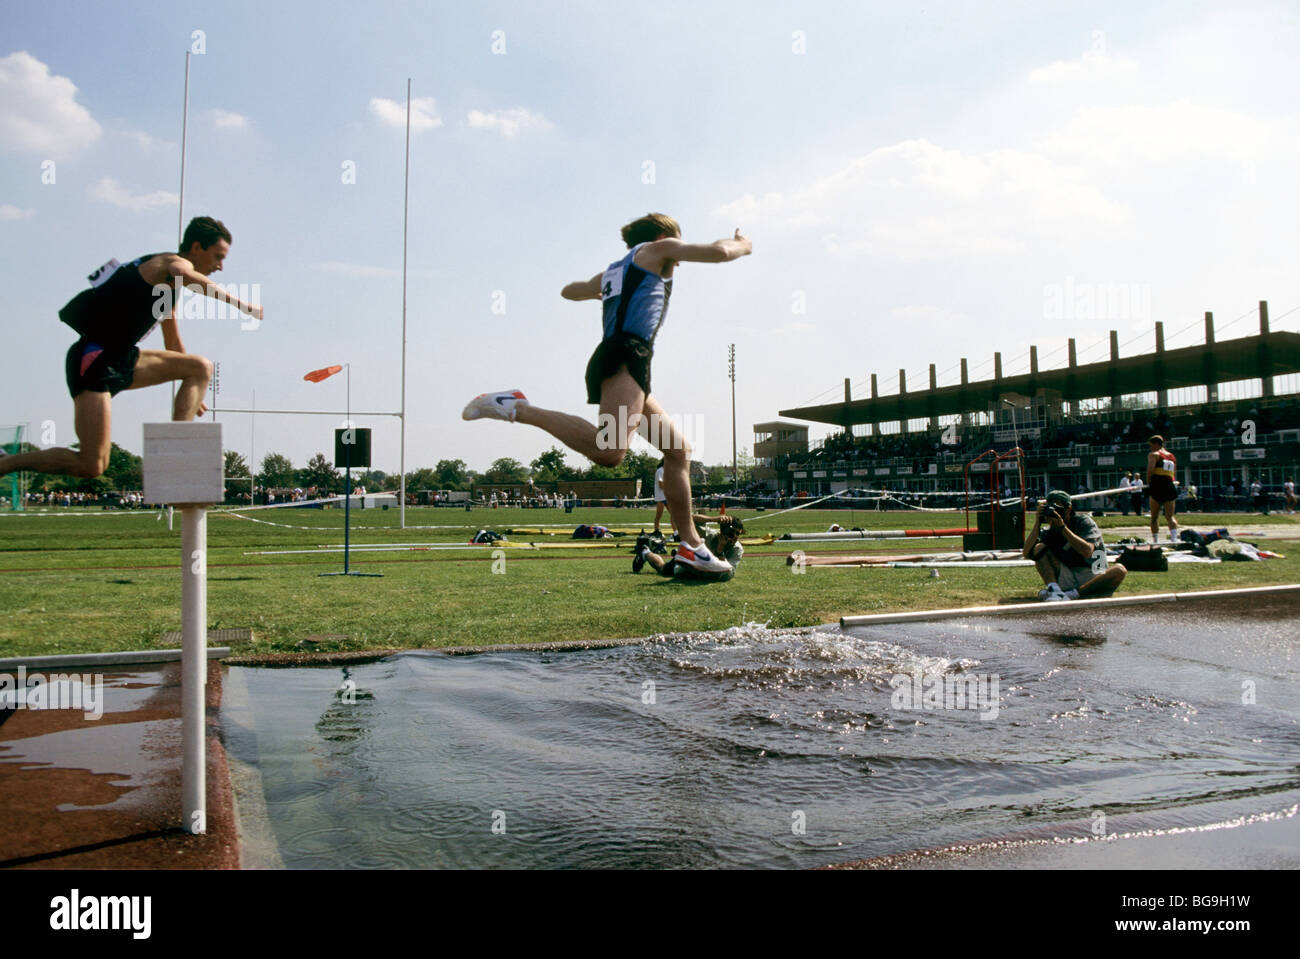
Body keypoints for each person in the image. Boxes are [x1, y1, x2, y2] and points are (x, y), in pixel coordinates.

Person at [462, 212, 752, 575]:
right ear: (664, 236)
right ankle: (516, 406)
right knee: (610, 451)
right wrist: (742, 245)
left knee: (677, 450)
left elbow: (571, 290)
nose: (678, 253)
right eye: (676, 242)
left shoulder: (618, 268)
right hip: (625, 355)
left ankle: (692, 546)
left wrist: (604, 288)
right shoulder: (654, 250)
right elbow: (720, 252)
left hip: (628, 358)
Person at [0, 217, 262, 480]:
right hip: (95, 360)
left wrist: (195, 391)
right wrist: (242, 305)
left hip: (122, 356)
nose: (220, 266)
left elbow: (172, 343)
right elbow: (184, 273)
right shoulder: (172, 263)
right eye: (218, 256)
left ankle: (177, 456)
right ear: (196, 248)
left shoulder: (167, 289)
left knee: (199, 367)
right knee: (92, 465)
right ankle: (6, 463)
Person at [1023, 489, 1126, 601]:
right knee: (1039, 548)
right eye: (1050, 507)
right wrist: (1038, 522)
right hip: (1069, 574)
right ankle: (1055, 590)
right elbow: (1027, 553)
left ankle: (1074, 594)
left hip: (1092, 572)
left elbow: (1087, 551)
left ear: (1068, 509)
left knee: (1119, 570)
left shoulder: (1083, 522)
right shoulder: (1050, 530)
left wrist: (1063, 528)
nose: (1054, 511)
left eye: (1058, 507)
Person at [632, 512, 744, 582]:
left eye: (737, 534)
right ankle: (645, 552)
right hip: (689, 565)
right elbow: (686, 519)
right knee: (663, 568)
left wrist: (719, 551)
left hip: (699, 568)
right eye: (731, 533)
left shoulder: (737, 549)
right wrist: (713, 519)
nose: (734, 537)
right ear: (722, 532)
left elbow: (728, 575)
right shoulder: (709, 535)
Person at [1146, 435, 1179, 543]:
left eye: (1151, 445)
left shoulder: (1154, 455)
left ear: (1156, 444)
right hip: (1169, 485)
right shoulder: (1171, 456)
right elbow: (1173, 473)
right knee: (1170, 516)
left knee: (1154, 517)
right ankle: (1174, 539)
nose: (1150, 448)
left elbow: (1150, 470)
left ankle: (1155, 540)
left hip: (1157, 486)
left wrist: (1148, 482)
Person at [651, 457, 673, 536]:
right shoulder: (660, 471)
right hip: (661, 496)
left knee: (673, 515)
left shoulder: (667, 471)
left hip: (667, 496)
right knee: (659, 515)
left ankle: (676, 532)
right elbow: (661, 484)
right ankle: (656, 531)